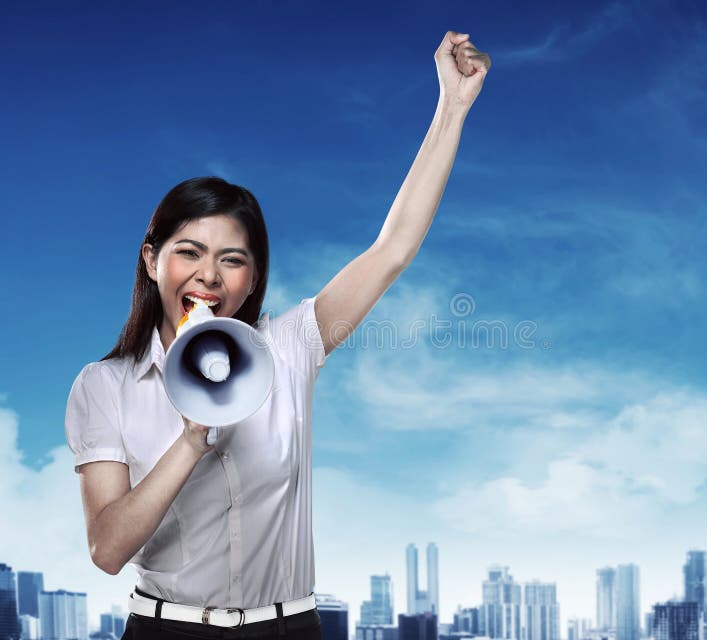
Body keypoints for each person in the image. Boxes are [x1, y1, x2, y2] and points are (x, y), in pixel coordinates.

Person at [64, 30, 491, 640]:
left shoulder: (289, 349)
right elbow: (107, 549)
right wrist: (190, 439)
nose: (208, 275)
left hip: (287, 627)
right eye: (189, 252)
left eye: (232, 259)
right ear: (151, 259)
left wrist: (453, 105)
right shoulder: (104, 386)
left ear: (253, 275)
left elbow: (392, 249)